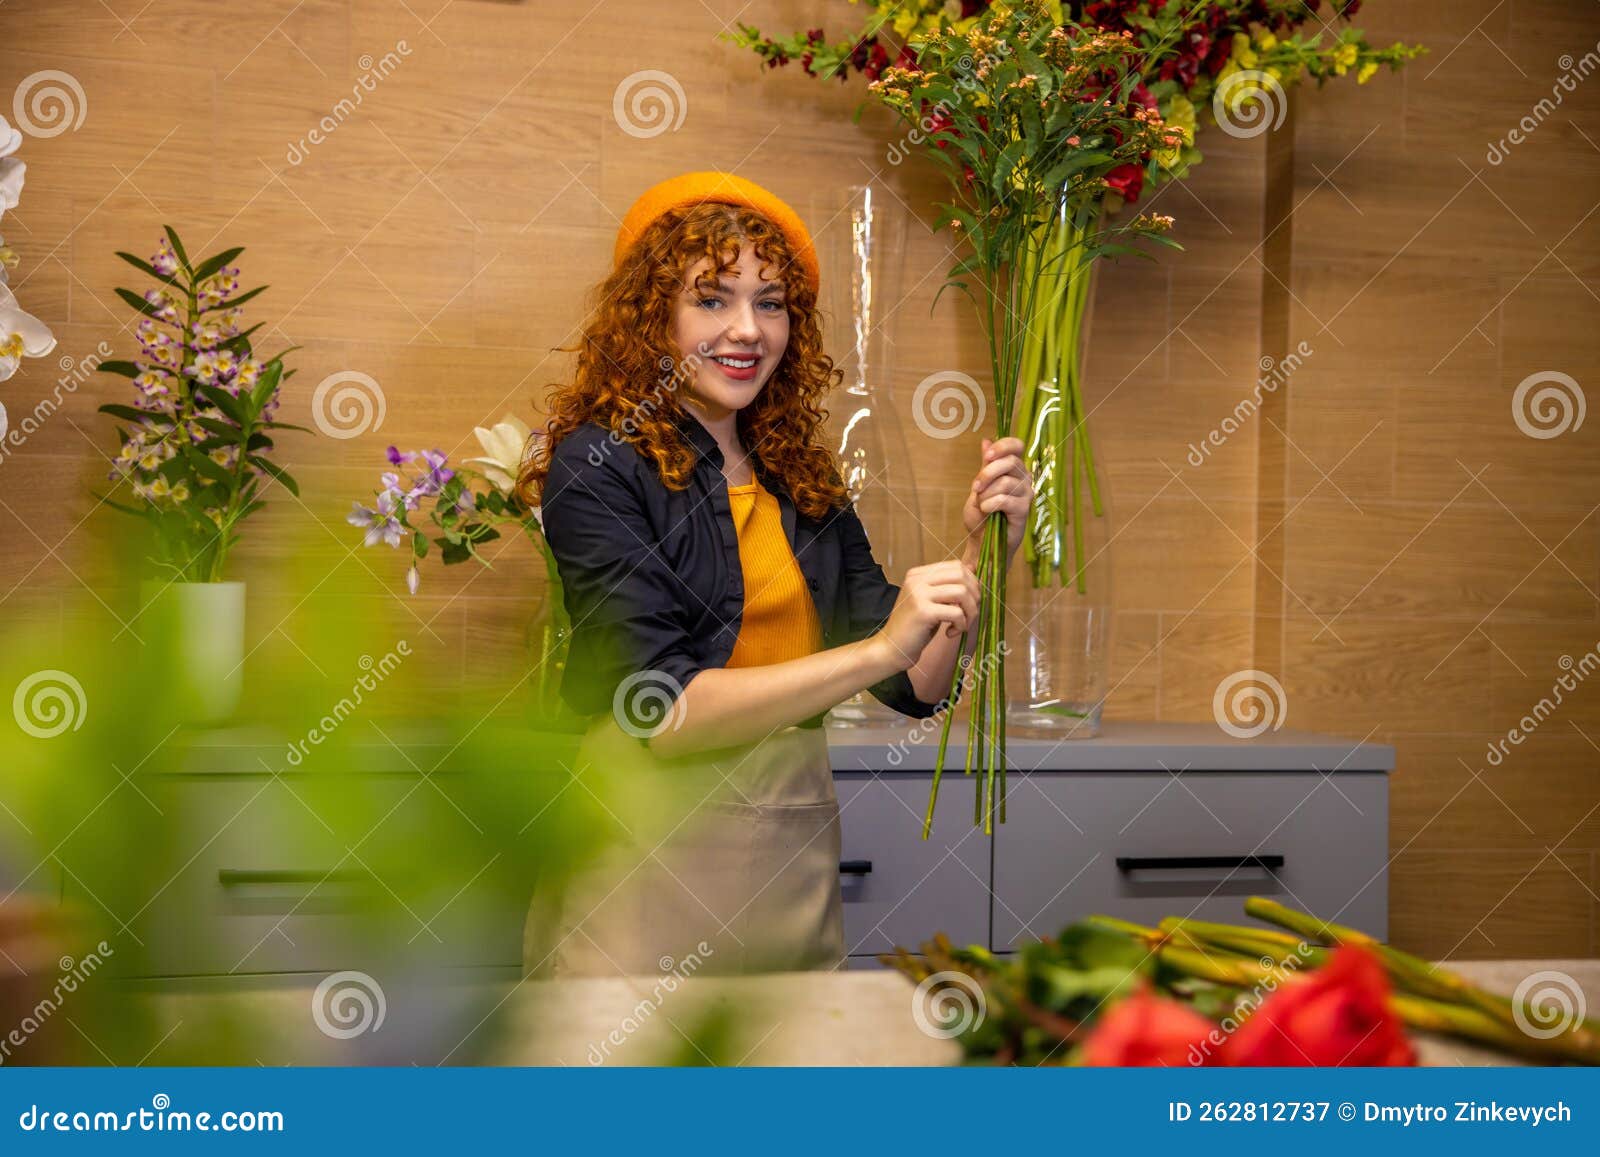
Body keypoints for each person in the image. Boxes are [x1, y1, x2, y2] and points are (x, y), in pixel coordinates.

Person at [515, 170, 1031, 978]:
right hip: (644, 861)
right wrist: (878, 652)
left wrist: (980, 553)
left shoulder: (795, 472)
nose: (747, 328)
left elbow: (917, 686)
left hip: (786, 870)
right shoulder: (598, 462)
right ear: (652, 316)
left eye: (772, 302)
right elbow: (665, 708)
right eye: (712, 299)